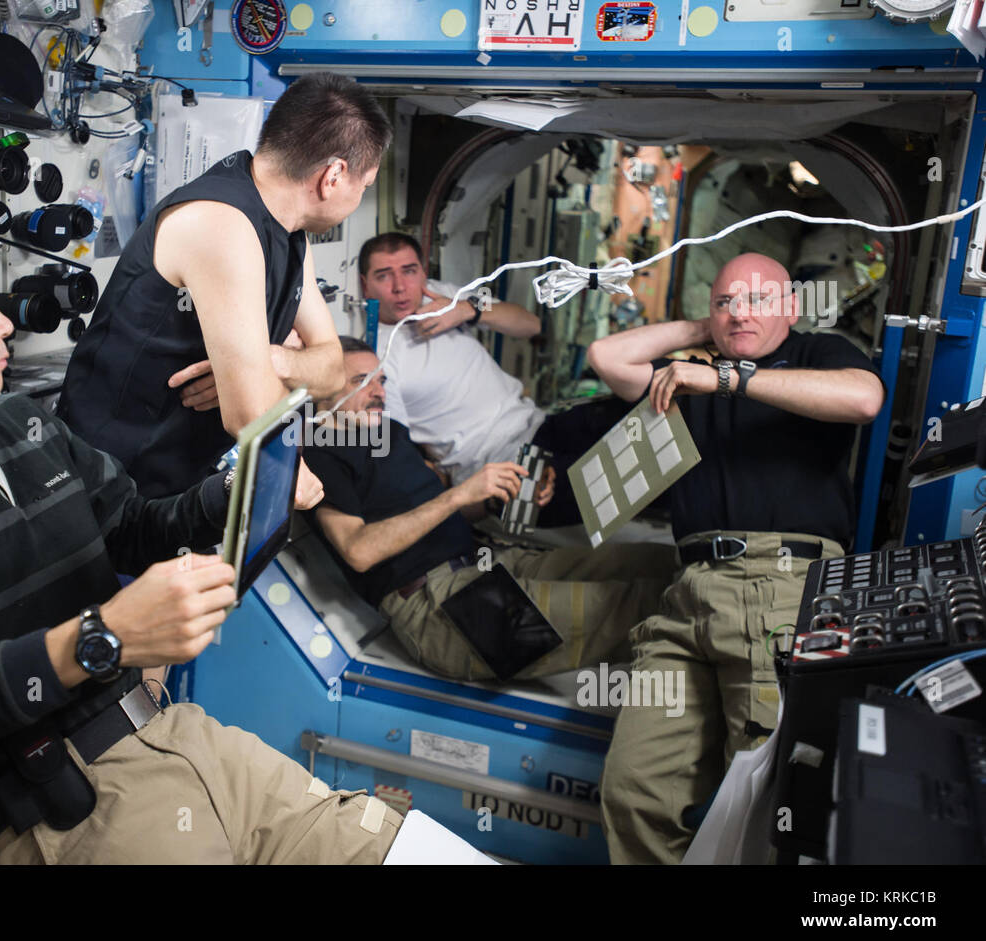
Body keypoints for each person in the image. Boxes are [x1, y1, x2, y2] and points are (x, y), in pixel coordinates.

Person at [0, 169, 414, 865]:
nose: (5, 321)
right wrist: (99, 639)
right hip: (81, 819)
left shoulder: (20, 423)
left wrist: (239, 490)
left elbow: (132, 525)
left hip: (194, 746)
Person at [586, 252, 885, 865]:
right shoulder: (692, 371)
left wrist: (729, 376)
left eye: (757, 300)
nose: (741, 312)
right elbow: (607, 357)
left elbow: (863, 400)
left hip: (781, 585)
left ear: (792, 309)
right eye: (727, 301)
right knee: (633, 787)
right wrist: (707, 332)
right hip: (688, 595)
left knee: (758, 801)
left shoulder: (816, 354)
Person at [56, 72, 392, 506]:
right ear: (333, 176)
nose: (359, 198)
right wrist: (299, 473)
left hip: (170, 487)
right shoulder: (222, 223)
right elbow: (249, 414)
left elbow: (331, 371)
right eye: (364, 187)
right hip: (103, 488)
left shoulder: (291, 235)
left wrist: (267, 360)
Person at [304, 337, 677, 682]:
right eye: (362, 380)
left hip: (486, 562)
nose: (378, 392)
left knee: (663, 564)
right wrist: (457, 495)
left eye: (381, 380)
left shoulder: (392, 435)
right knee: (643, 604)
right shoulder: (319, 456)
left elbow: (441, 511)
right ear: (323, 389)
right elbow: (358, 551)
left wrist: (502, 496)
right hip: (439, 608)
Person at [359, 232, 629, 526]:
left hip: (538, 425)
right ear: (365, 285)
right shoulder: (377, 357)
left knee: (645, 419)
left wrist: (467, 309)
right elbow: (397, 451)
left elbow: (529, 323)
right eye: (384, 276)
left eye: (409, 272)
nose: (400, 287)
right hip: (501, 469)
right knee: (630, 478)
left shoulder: (440, 293)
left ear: (423, 273)